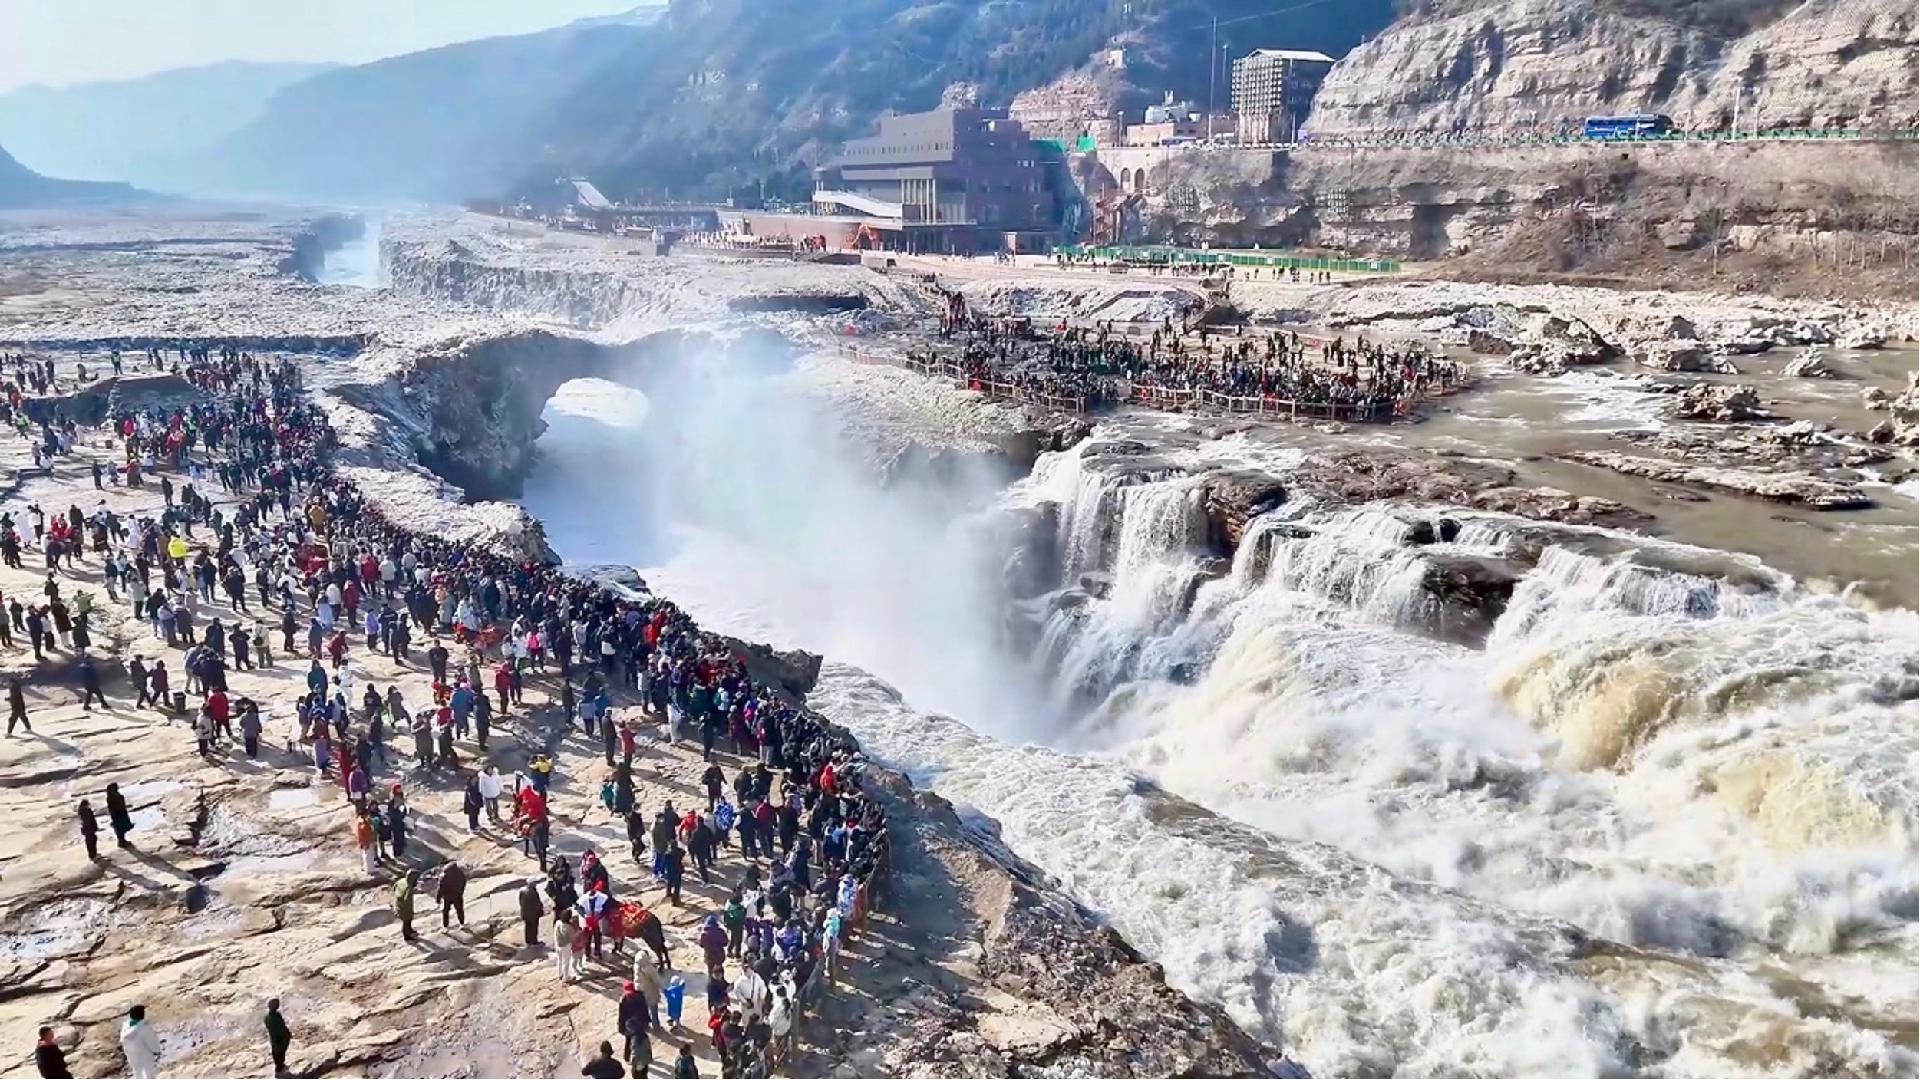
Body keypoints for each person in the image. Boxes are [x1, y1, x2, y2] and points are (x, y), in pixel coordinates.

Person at [120, 1005, 161, 1079]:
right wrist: (157, 1050)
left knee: (137, 1073)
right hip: (145, 1055)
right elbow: (151, 1041)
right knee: (149, 1074)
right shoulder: (144, 1028)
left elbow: (123, 1041)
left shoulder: (125, 1026)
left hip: (132, 1056)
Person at [264, 998, 292, 1077]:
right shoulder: (272, 1018)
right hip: (278, 1039)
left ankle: (281, 1067)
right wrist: (285, 1035)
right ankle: (279, 1071)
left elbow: (282, 1025)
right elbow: (277, 1028)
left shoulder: (271, 1016)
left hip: (278, 1039)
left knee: (279, 1053)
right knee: (279, 1054)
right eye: (276, 1004)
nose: (278, 1006)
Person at [437, 861, 468, 927]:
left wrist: (438, 898)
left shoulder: (444, 875)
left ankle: (445, 926)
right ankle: (462, 924)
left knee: (446, 912)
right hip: (458, 895)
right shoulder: (459, 872)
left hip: (447, 897)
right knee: (459, 910)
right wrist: (461, 891)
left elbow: (441, 887)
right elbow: (464, 881)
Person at [105, 782, 134, 847]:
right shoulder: (112, 796)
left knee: (122, 828)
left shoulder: (113, 795)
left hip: (120, 813)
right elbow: (116, 805)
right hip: (118, 814)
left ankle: (123, 840)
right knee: (120, 828)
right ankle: (121, 842)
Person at [394, 869, 419, 941]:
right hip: (405, 908)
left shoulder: (402, 880)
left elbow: (394, 887)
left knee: (407, 921)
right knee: (407, 921)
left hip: (398, 903)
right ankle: (407, 936)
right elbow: (407, 900)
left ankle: (410, 930)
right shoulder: (409, 888)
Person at [519, 880, 544, 948]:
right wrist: (540, 910)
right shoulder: (533, 892)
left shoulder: (522, 890)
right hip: (533, 913)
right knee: (534, 928)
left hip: (525, 913)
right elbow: (537, 903)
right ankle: (534, 942)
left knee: (527, 927)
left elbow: (520, 901)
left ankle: (528, 941)